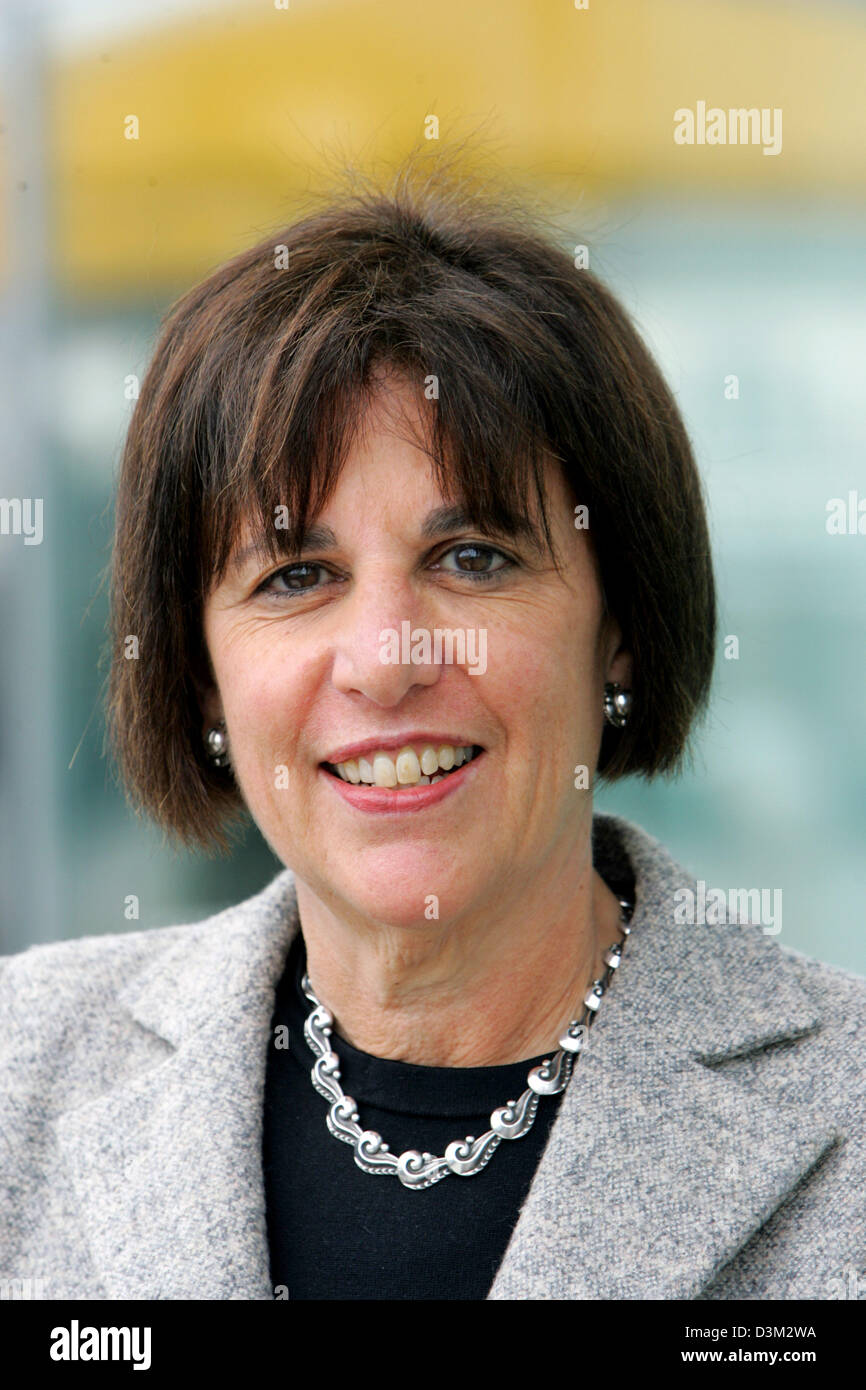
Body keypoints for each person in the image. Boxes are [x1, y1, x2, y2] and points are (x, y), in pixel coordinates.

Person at [1, 165, 864, 1301]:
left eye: (471, 560)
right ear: (201, 676)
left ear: (618, 627)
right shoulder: (20, 1072)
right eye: (296, 575)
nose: (386, 661)